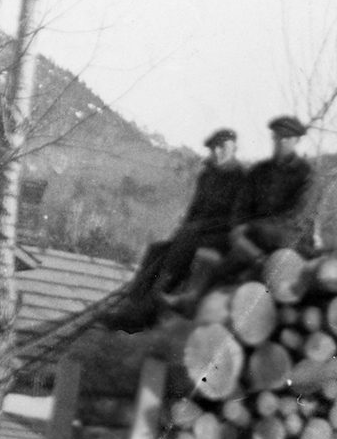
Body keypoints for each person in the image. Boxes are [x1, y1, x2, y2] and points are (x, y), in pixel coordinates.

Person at [101, 128, 246, 332]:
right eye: (214, 148)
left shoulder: (241, 178)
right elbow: (194, 209)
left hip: (219, 235)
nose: (218, 152)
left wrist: (197, 227)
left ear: (234, 148)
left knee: (179, 254)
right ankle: (133, 303)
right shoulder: (207, 175)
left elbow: (235, 218)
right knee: (157, 250)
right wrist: (183, 229)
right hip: (194, 232)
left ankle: (148, 309)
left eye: (224, 147)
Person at [164, 115, 315, 303]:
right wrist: (238, 228)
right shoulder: (260, 171)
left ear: (297, 141)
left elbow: (296, 218)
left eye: (287, 138)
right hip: (253, 237)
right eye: (277, 137)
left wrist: (251, 228)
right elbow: (241, 207)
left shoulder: (306, 174)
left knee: (236, 263)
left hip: (289, 239)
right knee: (213, 254)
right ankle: (189, 299)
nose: (281, 143)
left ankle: (247, 271)